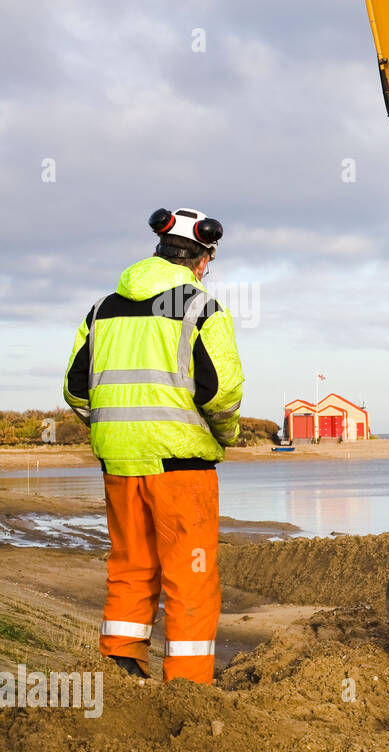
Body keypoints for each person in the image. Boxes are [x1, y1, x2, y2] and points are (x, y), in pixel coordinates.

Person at [63, 208, 244, 683]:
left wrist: (113, 427)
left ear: (159, 250)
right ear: (202, 260)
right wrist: (225, 436)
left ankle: (122, 670)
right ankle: (185, 686)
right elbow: (221, 392)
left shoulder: (103, 309)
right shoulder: (200, 308)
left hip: (120, 464)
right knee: (190, 576)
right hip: (182, 468)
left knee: (130, 565)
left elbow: (76, 389)